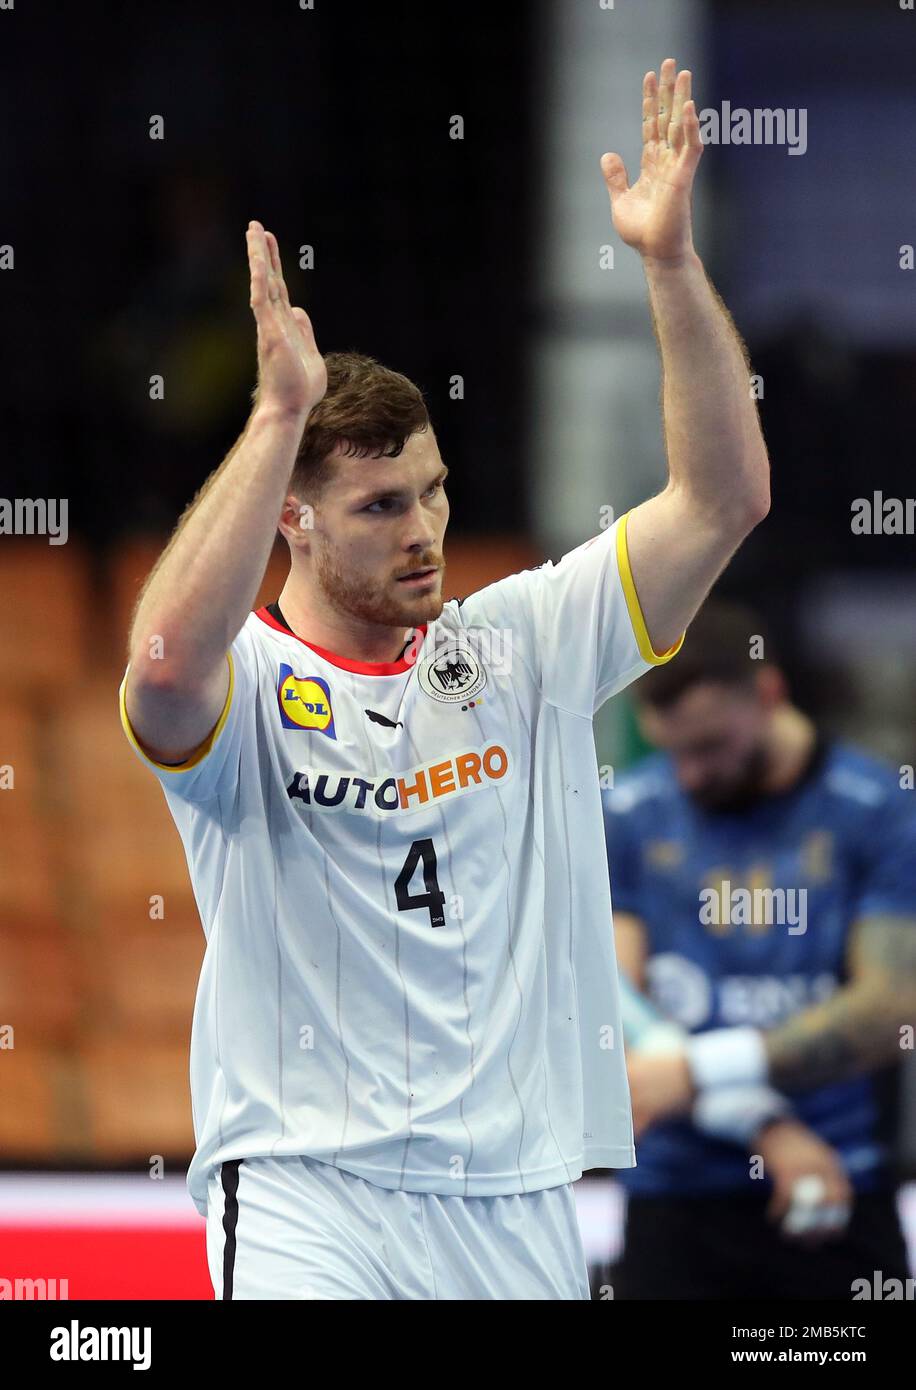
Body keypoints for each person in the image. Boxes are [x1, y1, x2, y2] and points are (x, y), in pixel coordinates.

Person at [118, 59, 770, 1299]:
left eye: (431, 491)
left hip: (513, 1196)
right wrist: (275, 419)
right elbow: (155, 676)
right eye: (377, 505)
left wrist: (670, 266)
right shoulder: (245, 680)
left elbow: (724, 498)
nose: (422, 527)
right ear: (294, 521)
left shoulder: (519, 642)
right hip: (309, 1189)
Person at [602, 599, 916, 1299]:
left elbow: (895, 1005)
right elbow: (624, 1025)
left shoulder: (879, 812)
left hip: (836, 1192)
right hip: (674, 1201)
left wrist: (703, 1066)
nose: (689, 775)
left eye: (710, 747)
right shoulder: (629, 815)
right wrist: (766, 1125)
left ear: (768, 693)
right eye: (671, 750)